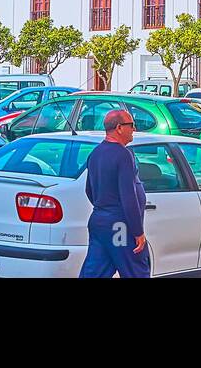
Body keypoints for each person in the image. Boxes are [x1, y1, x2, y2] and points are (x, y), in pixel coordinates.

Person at [79, 108, 151, 278]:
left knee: (95, 272)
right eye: (131, 125)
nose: (134, 129)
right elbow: (128, 196)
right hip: (120, 226)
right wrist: (138, 231)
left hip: (99, 222)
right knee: (137, 270)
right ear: (119, 128)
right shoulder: (123, 155)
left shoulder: (95, 153)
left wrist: (103, 209)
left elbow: (89, 190)